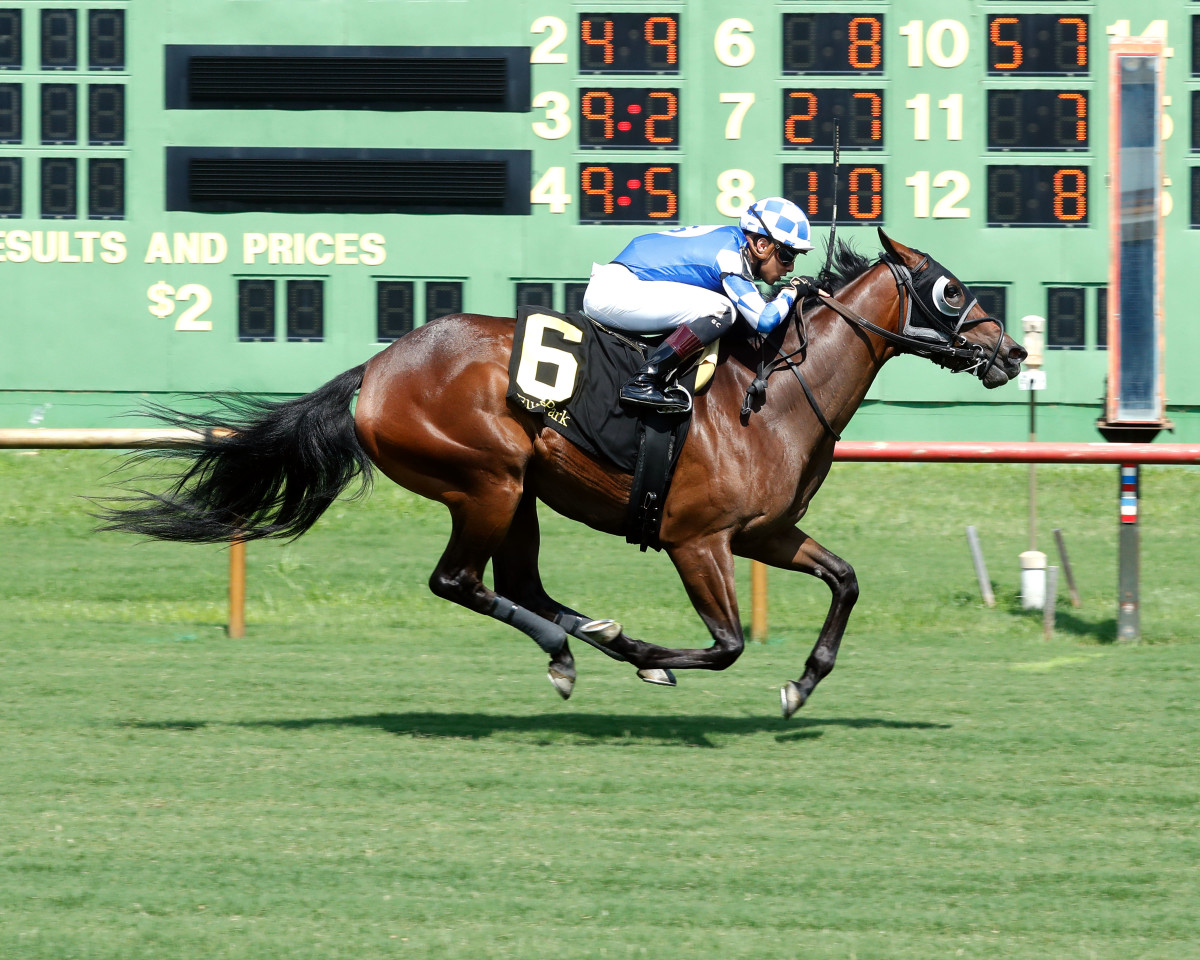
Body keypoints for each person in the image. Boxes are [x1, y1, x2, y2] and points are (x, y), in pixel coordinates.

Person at [582, 196, 815, 413]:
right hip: (616, 291)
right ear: (762, 245)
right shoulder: (730, 255)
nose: (791, 267)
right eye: (787, 255)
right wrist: (792, 290)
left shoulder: (731, 241)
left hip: (620, 284)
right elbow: (763, 320)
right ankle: (643, 381)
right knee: (723, 309)